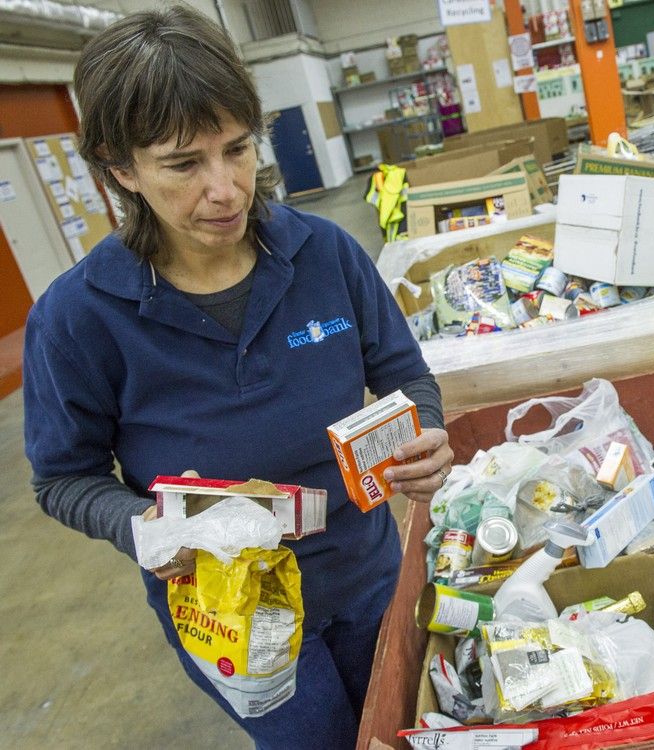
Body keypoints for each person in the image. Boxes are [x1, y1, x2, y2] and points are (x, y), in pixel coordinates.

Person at [21, 6, 452, 749]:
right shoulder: (78, 317)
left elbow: (405, 375)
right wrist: (140, 526)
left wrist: (426, 433)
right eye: (184, 164)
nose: (225, 190)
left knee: (403, 725)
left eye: (239, 150)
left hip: (366, 574)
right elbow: (63, 478)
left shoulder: (325, 253)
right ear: (120, 169)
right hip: (234, 616)